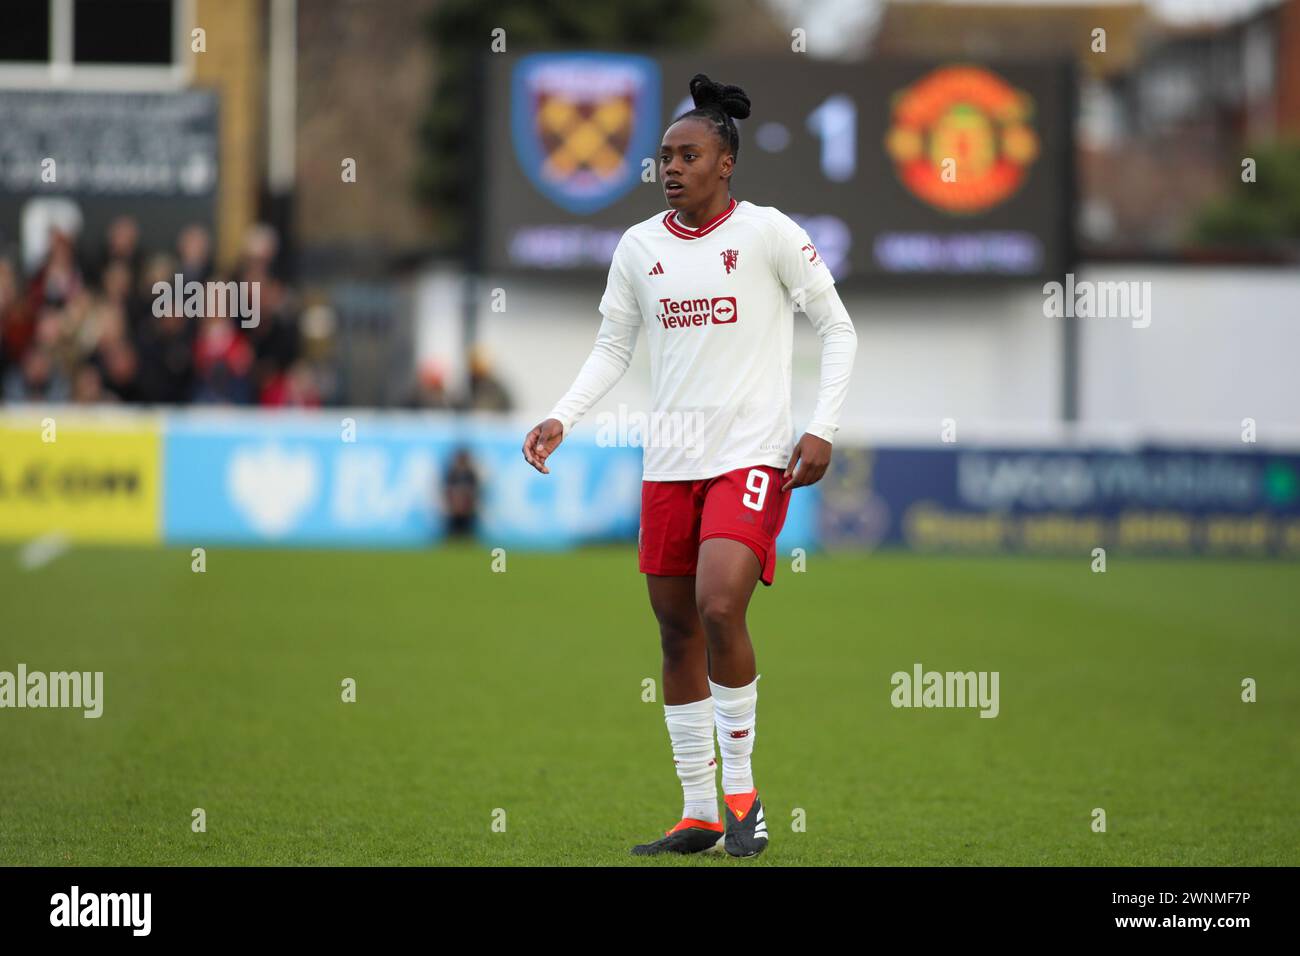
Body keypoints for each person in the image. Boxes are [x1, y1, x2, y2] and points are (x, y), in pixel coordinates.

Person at [521, 74, 857, 858]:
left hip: (751, 455)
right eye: (665, 156)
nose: (671, 168)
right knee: (675, 636)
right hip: (668, 462)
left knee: (716, 607)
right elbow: (613, 346)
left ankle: (744, 795)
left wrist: (823, 427)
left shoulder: (770, 234)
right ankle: (701, 813)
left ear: (725, 162)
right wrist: (562, 416)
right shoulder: (640, 248)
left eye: (688, 155)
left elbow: (837, 328)